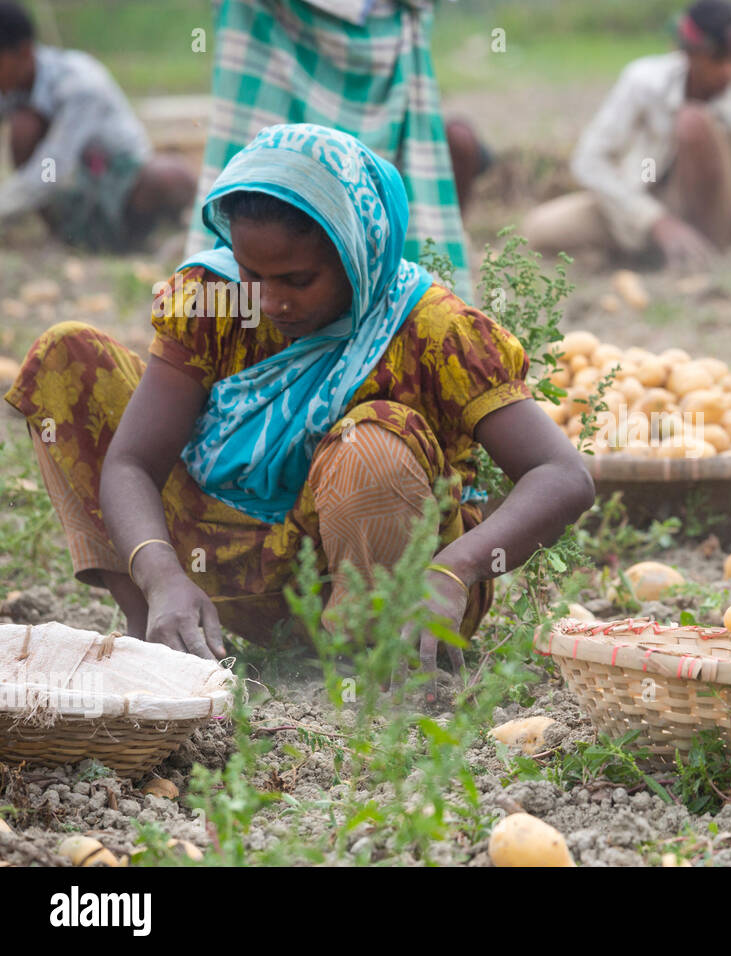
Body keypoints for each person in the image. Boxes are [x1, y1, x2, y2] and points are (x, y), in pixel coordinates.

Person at [5, 124, 594, 699]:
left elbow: (562, 475)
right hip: (226, 573)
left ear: (359, 254)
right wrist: (162, 578)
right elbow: (132, 460)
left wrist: (455, 570)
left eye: (298, 279)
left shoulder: (433, 332)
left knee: (376, 440)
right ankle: (163, 638)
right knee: (68, 356)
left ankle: (372, 662)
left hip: (406, 592)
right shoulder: (214, 301)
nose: (270, 300)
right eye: (251, 272)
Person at [183, 0, 474, 299]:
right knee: (256, 190)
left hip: (381, 26)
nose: (273, 305)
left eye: (298, 280)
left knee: (416, 308)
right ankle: (224, 304)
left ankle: (389, 306)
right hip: (270, 21)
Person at [521, 0, 731, 272]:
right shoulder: (644, 81)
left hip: (717, 229)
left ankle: (698, 258)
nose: (728, 70)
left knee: (693, 122)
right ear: (689, 52)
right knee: (538, 229)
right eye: (718, 60)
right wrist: (654, 220)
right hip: (643, 209)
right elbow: (589, 160)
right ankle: (644, 251)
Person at [0, 0, 196, 249]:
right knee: (23, 126)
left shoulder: (79, 85)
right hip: (78, 185)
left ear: (24, 52)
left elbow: (51, 170)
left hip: (120, 180)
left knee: (171, 176)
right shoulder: (15, 84)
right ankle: (64, 233)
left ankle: (135, 237)